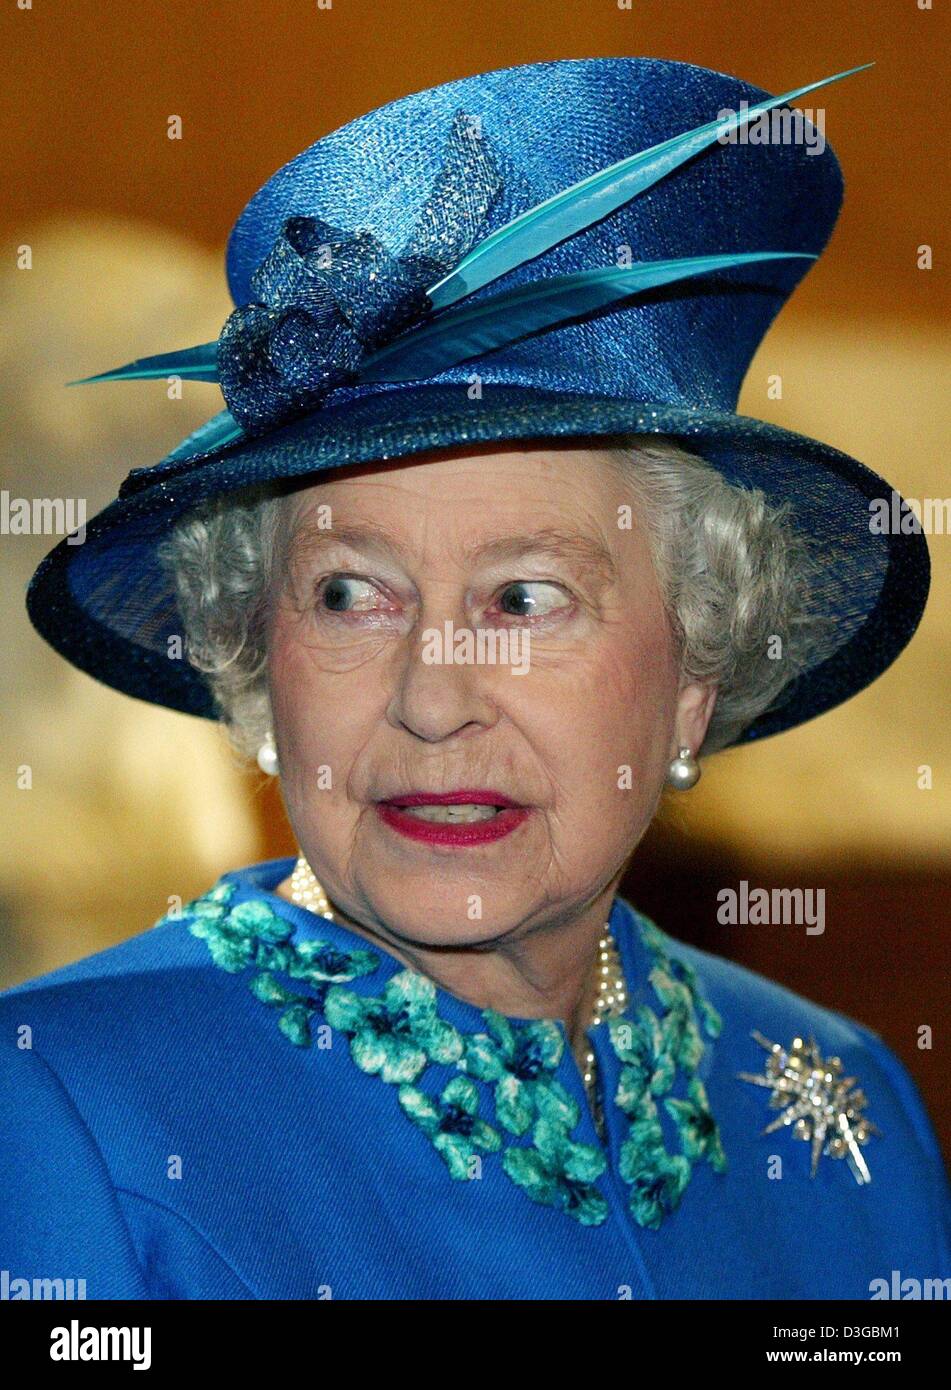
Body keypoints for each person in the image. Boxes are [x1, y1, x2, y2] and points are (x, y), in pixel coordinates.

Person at [2, 55, 948, 1300]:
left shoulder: (844, 1110)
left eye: (523, 598)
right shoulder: (60, 1109)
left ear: (693, 672)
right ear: (254, 655)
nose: (434, 699)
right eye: (349, 594)